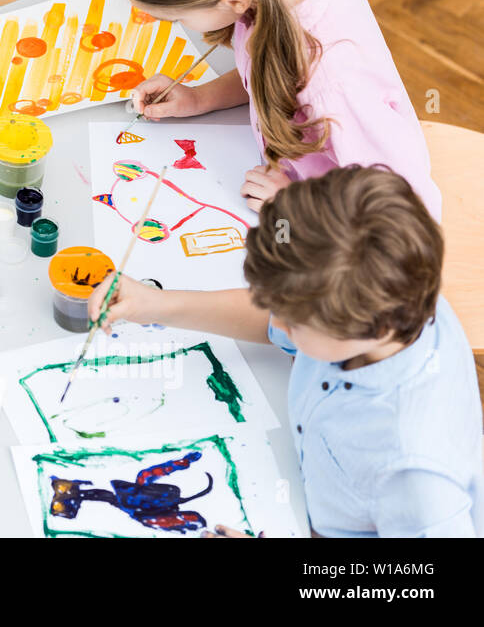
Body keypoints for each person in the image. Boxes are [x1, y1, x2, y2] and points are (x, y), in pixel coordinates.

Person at [88, 166, 482, 537]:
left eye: (293, 321)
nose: (276, 323)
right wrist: (156, 304)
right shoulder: (386, 296)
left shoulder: (416, 474)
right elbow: (273, 317)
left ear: (360, 328)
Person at [113, 0, 440, 219]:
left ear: (234, 3)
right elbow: (269, 72)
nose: (180, 26)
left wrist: (297, 204)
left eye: (178, 18)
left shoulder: (334, 85)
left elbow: (407, 212)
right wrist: (199, 98)